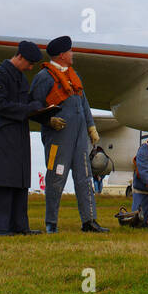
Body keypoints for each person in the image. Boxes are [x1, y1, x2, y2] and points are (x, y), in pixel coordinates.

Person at [30, 36, 108, 233]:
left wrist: (91, 126)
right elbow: (33, 106)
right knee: (55, 178)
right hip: (58, 138)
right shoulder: (44, 77)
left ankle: (89, 221)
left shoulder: (74, 76)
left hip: (79, 137)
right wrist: (48, 122)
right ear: (62, 55)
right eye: (70, 51)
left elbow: (84, 103)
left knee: (85, 177)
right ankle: (51, 223)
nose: (73, 54)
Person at [0, 41, 47, 236]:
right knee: (4, 179)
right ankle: (0, 227)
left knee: (19, 179)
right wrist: (28, 108)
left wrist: (36, 105)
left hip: (19, 134)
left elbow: (23, 101)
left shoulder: (20, 77)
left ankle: (19, 226)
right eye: (30, 63)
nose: (30, 67)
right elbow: (0, 105)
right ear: (20, 57)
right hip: (4, 135)